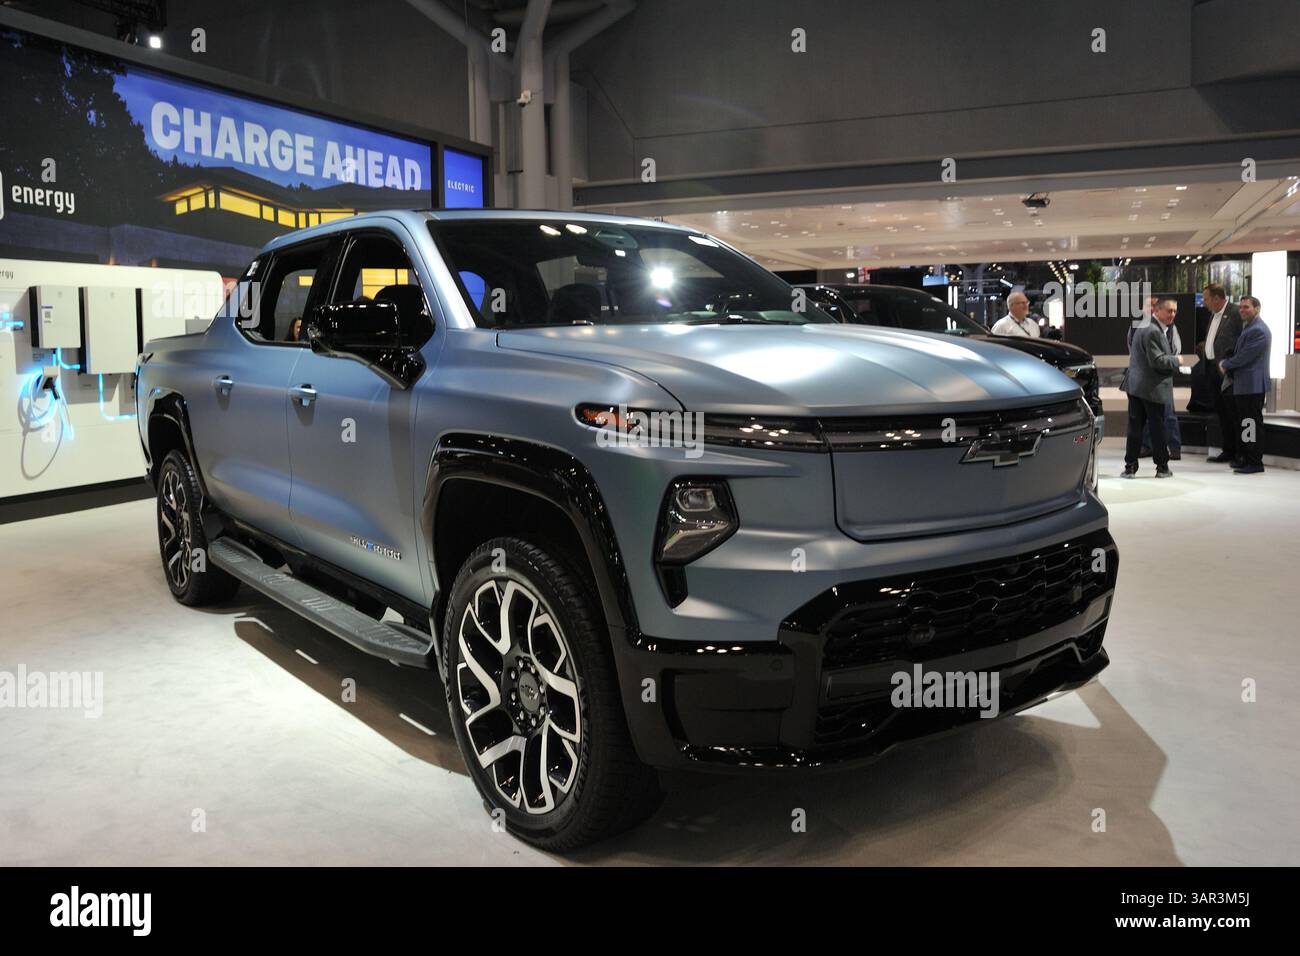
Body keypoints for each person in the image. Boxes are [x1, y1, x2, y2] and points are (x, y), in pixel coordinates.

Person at [1123, 297, 1182, 478]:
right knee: (1157, 428)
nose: (1172, 315)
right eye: (1168, 311)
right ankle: (1162, 467)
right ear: (1157, 311)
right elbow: (1157, 360)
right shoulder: (1154, 330)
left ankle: (1130, 467)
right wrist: (1176, 360)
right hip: (1151, 388)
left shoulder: (1144, 326)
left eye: (1174, 311)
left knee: (1135, 428)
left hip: (1136, 386)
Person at [1219, 295, 1272, 475]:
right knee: (1246, 423)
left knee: (1251, 424)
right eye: (1241, 307)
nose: (1242, 310)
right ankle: (1246, 459)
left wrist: (1226, 364)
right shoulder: (1249, 327)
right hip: (1245, 385)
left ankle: (1255, 461)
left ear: (1257, 309)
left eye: (1246, 307)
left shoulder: (1259, 330)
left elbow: (1245, 356)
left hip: (1252, 386)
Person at [1198, 283, 1243, 462]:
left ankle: (1239, 452)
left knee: (1232, 412)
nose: (1205, 302)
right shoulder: (1214, 314)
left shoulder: (1234, 313)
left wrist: (1230, 364)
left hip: (1226, 370)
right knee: (1221, 412)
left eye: (1206, 299)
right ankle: (1228, 449)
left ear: (1217, 298)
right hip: (1211, 368)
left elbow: (1240, 341)